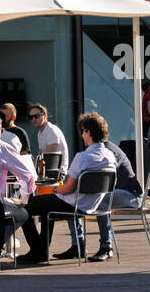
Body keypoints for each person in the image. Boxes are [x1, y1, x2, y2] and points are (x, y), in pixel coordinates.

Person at [17, 112, 116, 265]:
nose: (82, 134)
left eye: (83, 131)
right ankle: (41, 251)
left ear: (88, 132)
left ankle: (37, 251)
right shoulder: (110, 156)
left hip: (73, 204)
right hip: (93, 205)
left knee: (24, 206)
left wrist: (55, 190)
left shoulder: (83, 157)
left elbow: (68, 188)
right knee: (45, 206)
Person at [54, 134, 143, 262]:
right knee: (71, 198)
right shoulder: (96, 150)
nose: (82, 136)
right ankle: (77, 245)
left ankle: (106, 247)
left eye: (84, 132)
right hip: (117, 192)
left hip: (131, 195)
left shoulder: (108, 151)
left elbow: (102, 178)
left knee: (101, 198)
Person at [27, 102, 69, 174]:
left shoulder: (51, 130)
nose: (33, 119)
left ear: (45, 115)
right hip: (47, 171)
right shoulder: (40, 133)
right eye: (31, 117)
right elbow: (41, 156)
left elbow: (48, 157)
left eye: (36, 116)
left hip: (56, 172)